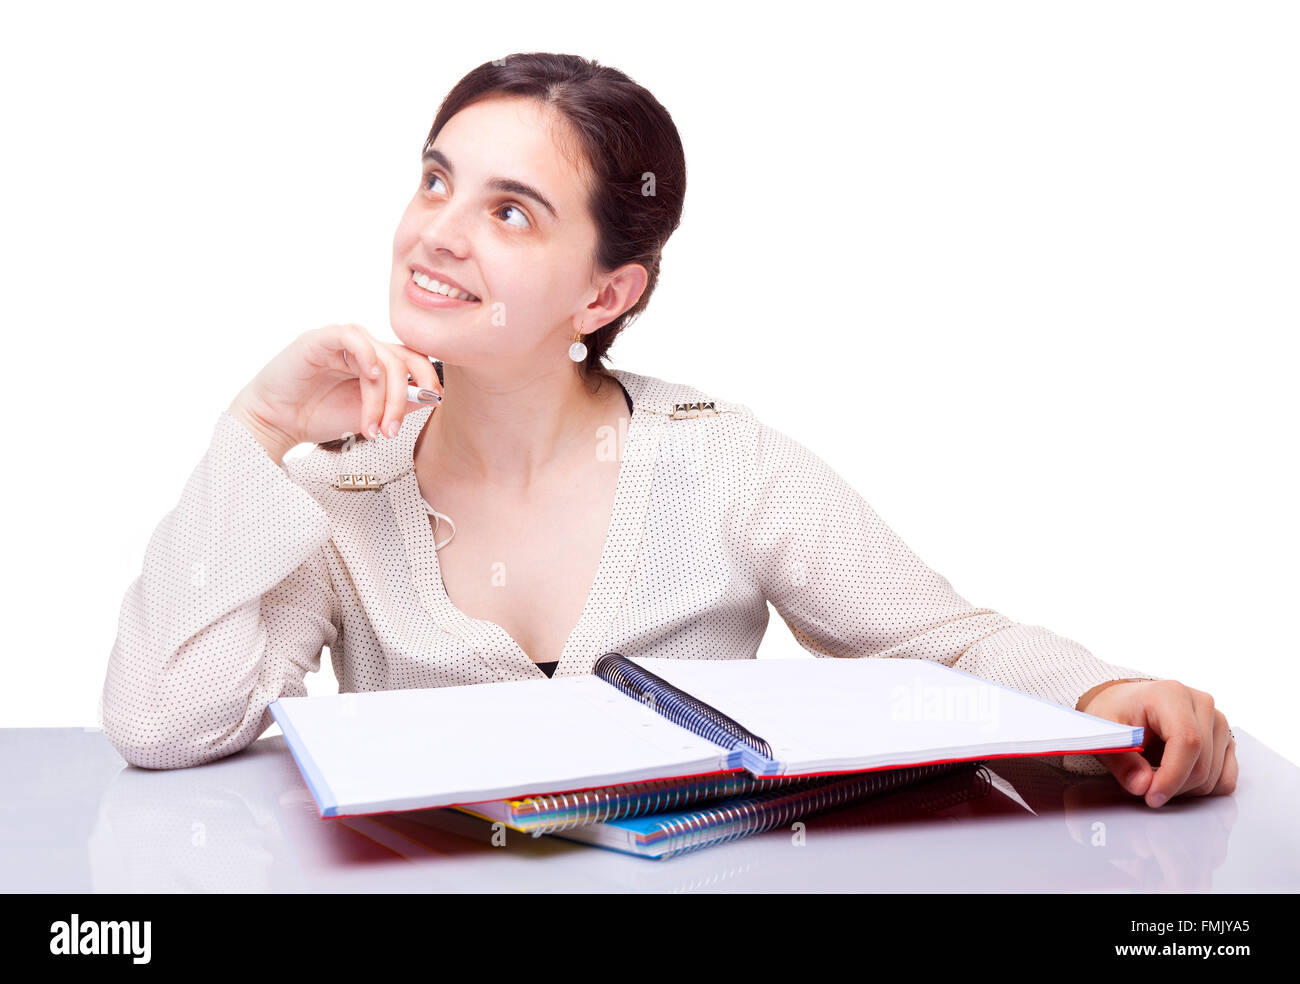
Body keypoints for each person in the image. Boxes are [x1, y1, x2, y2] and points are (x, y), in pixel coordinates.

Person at [99, 52, 1237, 809]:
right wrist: (257, 430)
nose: (436, 233)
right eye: (435, 181)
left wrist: (1102, 694)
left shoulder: (719, 463)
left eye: (508, 210)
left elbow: (942, 644)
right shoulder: (345, 490)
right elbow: (160, 726)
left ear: (604, 296)